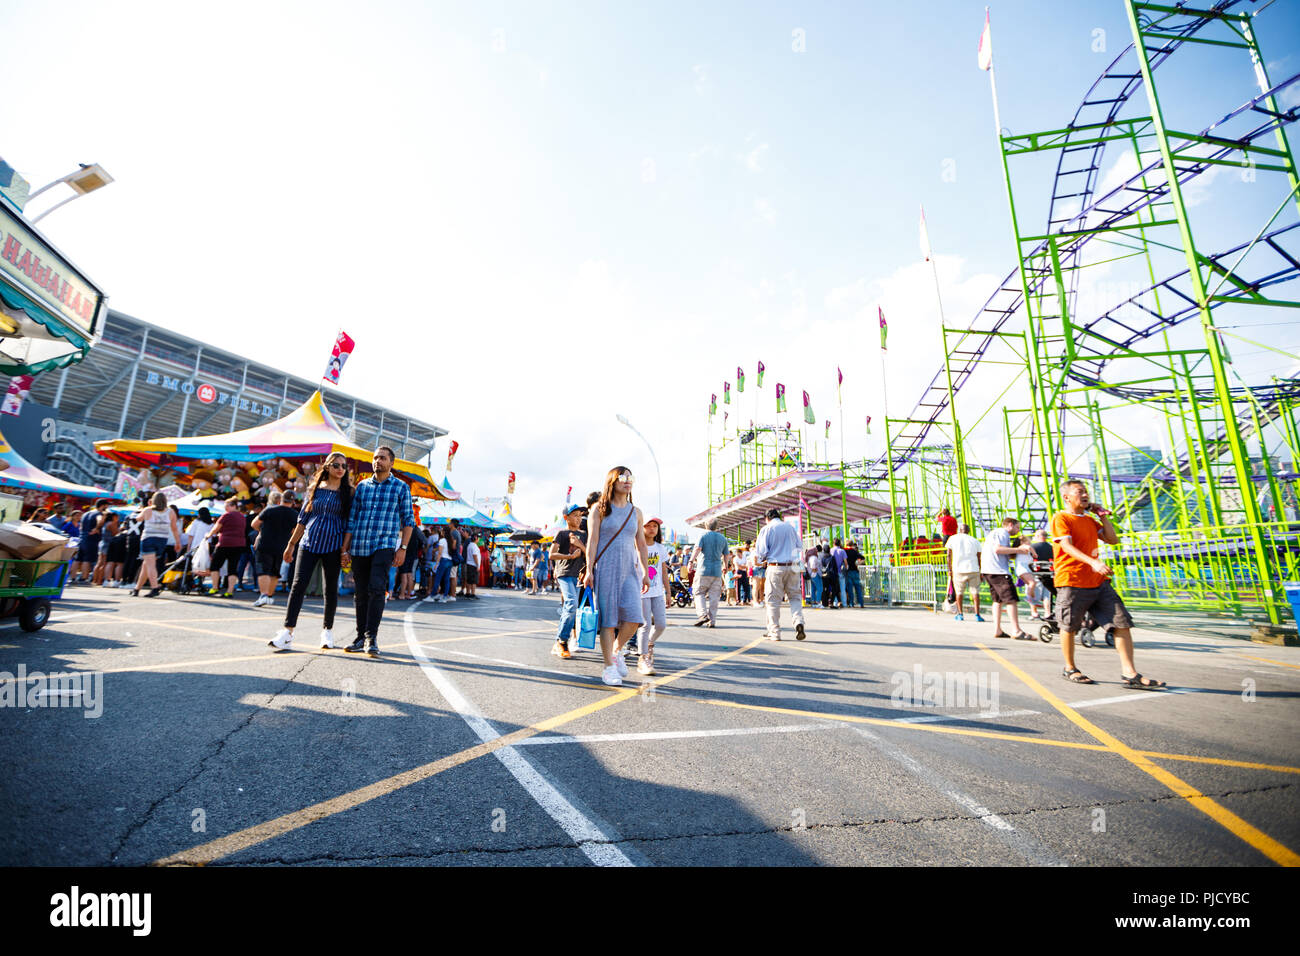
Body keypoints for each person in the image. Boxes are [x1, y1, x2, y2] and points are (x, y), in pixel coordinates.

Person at [1051, 480, 1164, 688]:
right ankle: (1070, 668)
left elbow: (1112, 540)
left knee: (1121, 622)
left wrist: (1102, 516)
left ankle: (1130, 674)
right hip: (1072, 580)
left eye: (1086, 491)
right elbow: (1065, 546)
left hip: (1098, 581)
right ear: (1067, 497)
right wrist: (1093, 561)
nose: (1085, 494)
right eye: (1079, 492)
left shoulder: (1090, 520)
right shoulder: (1061, 518)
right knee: (1068, 626)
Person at [271, 452, 352, 650]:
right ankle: (288, 632)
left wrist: (344, 550)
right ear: (327, 467)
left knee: (330, 589)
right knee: (298, 586)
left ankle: (327, 631)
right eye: (335, 465)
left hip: (333, 545)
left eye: (343, 466)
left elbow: (350, 523)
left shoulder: (349, 491)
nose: (340, 469)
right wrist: (291, 544)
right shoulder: (315, 488)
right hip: (308, 543)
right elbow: (303, 519)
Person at [340, 446, 414, 658]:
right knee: (360, 592)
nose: (377, 461)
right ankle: (360, 637)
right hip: (360, 545)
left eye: (382, 458)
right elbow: (352, 520)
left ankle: (372, 637)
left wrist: (403, 548)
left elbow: (409, 521)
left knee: (376, 588)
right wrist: (345, 548)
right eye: (375, 458)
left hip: (384, 545)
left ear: (391, 463)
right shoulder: (362, 487)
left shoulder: (400, 487)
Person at [581, 466, 649, 686]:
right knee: (609, 621)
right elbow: (592, 541)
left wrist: (646, 572)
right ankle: (608, 667)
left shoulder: (636, 512)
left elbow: (640, 543)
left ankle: (617, 652)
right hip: (606, 569)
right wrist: (589, 569)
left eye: (631, 477)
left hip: (629, 570)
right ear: (612, 481)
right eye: (622, 477)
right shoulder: (599, 510)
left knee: (634, 618)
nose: (627, 481)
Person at [757, 507, 806, 641]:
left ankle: (775, 632)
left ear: (767, 518)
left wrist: (764, 559)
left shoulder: (766, 529)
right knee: (795, 597)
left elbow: (761, 552)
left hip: (775, 566)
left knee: (773, 600)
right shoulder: (790, 528)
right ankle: (798, 622)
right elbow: (799, 546)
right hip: (792, 566)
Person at [980, 517, 1033, 639]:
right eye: (1017, 527)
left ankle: (997, 629)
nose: (1018, 531)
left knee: (997, 601)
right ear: (1010, 525)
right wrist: (1018, 550)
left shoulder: (995, 533)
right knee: (1011, 599)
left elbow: (1001, 552)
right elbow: (998, 550)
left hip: (988, 570)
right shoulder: (1002, 533)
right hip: (998, 570)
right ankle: (1016, 630)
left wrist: (1014, 553)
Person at [549, 504, 587, 659]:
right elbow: (552, 554)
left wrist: (580, 545)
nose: (578, 518)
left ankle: (559, 641)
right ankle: (563, 641)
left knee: (570, 608)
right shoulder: (562, 534)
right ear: (566, 517)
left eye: (580, 515)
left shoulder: (584, 534)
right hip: (564, 573)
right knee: (571, 603)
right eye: (575, 515)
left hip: (578, 575)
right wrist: (569, 557)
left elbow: (589, 555)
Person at [130, 491, 181, 598]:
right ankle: (136, 589)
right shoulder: (171, 512)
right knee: (147, 564)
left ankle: (155, 587)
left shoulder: (148, 510)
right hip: (162, 540)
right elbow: (174, 529)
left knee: (150, 565)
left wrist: (146, 506)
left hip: (148, 538)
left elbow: (138, 519)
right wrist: (177, 542)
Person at [251, 490, 297, 608]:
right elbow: (295, 532)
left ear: (281, 499)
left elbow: (254, 524)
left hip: (265, 543)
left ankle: (263, 596)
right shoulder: (294, 514)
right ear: (293, 501)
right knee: (275, 572)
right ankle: (270, 596)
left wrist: (262, 531)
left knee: (263, 570)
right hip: (282, 546)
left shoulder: (270, 509)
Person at [637, 517, 671, 675]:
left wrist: (668, 592)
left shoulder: (660, 548)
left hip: (657, 592)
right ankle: (643, 658)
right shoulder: (636, 546)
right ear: (641, 527)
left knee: (661, 625)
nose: (651, 528)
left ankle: (649, 644)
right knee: (645, 625)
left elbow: (664, 572)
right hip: (641, 591)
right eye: (648, 525)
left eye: (655, 526)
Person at [203, 499, 248, 598]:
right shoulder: (242, 517)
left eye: (226, 506)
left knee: (215, 565)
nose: (225, 508)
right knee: (232, 568)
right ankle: (230, 591)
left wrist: (208, 536)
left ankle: (214, 588)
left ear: (232, 506)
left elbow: (216, 528)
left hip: (225, 543)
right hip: (239, 544)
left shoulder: (226, 516)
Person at [690, 518, 729, 627]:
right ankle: (712, 621)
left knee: (698, 592)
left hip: (703, 569)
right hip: (717, 571)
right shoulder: (723, 538)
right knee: (714, 597)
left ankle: (702, 615)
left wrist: (691, 561)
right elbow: (726, 554)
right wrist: (725, 566)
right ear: (716, 526)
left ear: (706, 526)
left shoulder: (703, 536)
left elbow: (697, 548)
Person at [944, 523, 983, 621]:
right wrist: (980, 570)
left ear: (959, 530)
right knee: (975, 592)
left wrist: (949, 569)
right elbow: (979, 558)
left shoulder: (952, 539)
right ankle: (977, 614)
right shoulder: (975, 541)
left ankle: (960, 614)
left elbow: (948, 555)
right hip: (973, 568)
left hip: (958, 569)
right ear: (968, 531)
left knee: (959, 592)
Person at [72, 499, 110, 584]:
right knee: (87, 559)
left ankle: (73, 577)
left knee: (77, 559)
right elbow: (100, 520)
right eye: (106, 506)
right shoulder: (99, 514)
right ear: (103, 505)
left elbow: (81, 526)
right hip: (91, 539)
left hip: (82, 537)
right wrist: (96, 528)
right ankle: (83, 578)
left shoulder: (86, 513)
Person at [1030, 529, 1056, 620]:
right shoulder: (1051, 547)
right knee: (1047, 594)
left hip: (1036, 572)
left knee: (1033, 593)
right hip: (1050, 572)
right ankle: (1047, 612)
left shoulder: (1032, 547)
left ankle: (1034, 613)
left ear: (1038, 536)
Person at [843, 539, 865, 607]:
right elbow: (863, 559)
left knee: (850, 589)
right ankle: (861, 603)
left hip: (849, 571)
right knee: (858, 588)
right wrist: (858, 564)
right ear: (852, 545)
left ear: (846, 545)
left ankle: (851, 603)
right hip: (855, 571)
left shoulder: (845, 551)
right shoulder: (855, 552)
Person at [831, 538, 848, 608]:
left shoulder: (831, 550)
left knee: (834, 588)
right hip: (841, 572)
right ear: (839, 543)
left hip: (833, 572)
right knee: (842, 588)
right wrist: (846, 568)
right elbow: (845, 562)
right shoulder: (842, 551)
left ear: (833, 543)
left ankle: (835, 602)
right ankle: (844, 604)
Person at [464, 534, 480, 599]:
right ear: (476, 539)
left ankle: (468, 592)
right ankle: (473, 593)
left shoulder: (470, 545)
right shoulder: (474, 546)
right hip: (473, 565)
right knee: (474, 580)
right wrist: (477, 565)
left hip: (469, 564)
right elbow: (475, 556)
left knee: (469, 580)